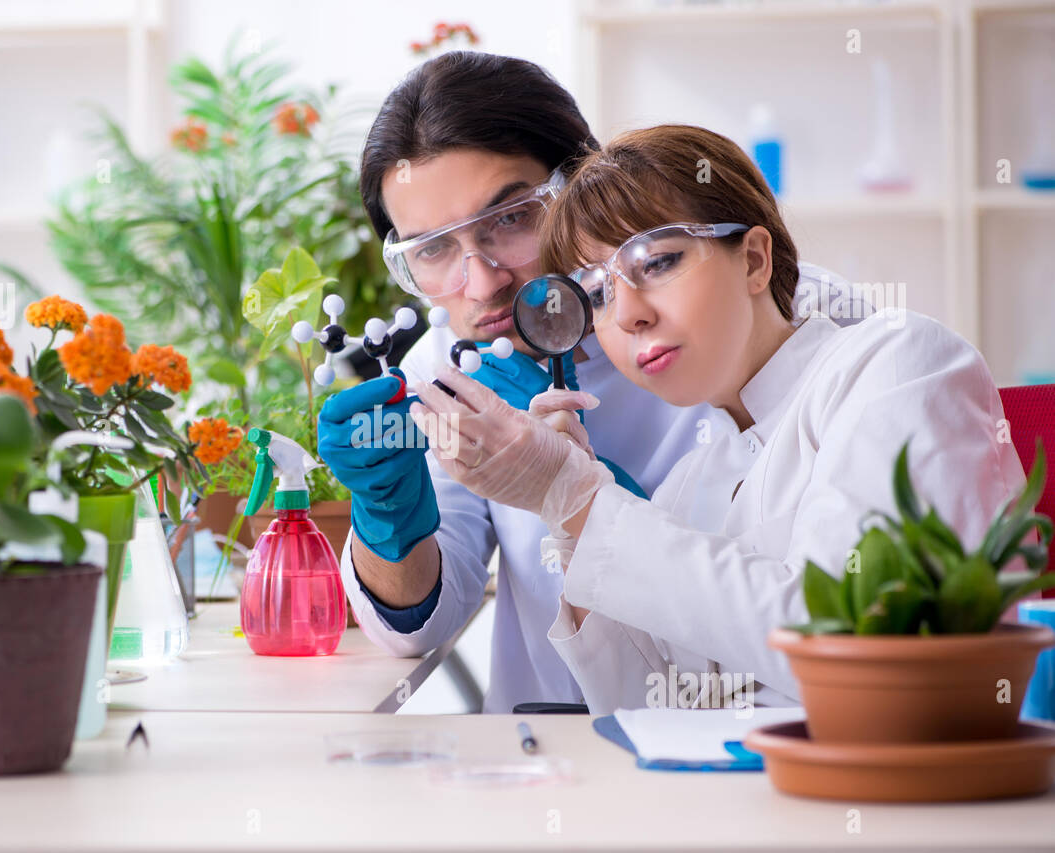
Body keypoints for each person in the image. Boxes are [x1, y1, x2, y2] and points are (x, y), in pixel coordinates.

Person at [407, 124, 1026, 712]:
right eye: (596, 293)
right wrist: (567, 518)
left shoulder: (900, 364)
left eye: (656, 263)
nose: (627, 315)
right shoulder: (697, 473)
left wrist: (581, 503)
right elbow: (641, 702)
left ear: (755, 259)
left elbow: (864, 658)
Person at [318, 52, 867, 713]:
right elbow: (421, 626)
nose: (484, 280)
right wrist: (387, 516)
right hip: (556, 740)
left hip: (744, 734)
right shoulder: (447, 367)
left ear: (581, 183)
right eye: (433, 249)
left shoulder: (756, 319)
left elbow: (783, 612)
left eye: (512, 218)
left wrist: (573, 483)